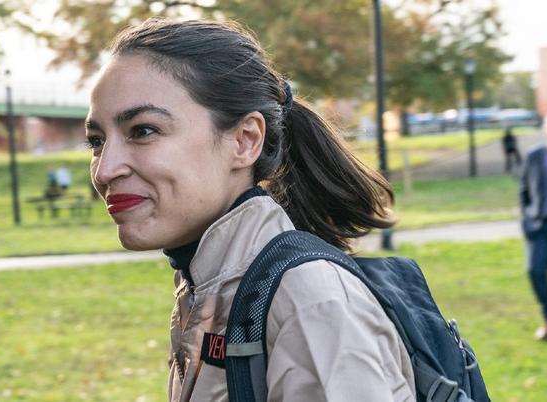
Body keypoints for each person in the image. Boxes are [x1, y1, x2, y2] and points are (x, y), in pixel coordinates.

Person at [86, 18, 414, 401]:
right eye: (96, 141)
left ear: (244, 141)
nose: (105, 170)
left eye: (143, 131)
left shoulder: (309, 302)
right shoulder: (208, 286)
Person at [520, 109, 547, 341]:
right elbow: (524, 191)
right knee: (535, 271)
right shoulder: (534, 155)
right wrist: (527, 221)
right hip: (542, 226)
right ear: (546, 129)